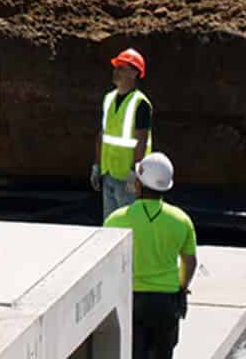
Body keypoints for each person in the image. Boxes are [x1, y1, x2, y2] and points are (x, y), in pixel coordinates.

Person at [105, 153, 197, 359]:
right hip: (166, 301)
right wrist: (181, 287)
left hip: (131, 299)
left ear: (138, 184)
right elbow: (189, 262)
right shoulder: (181, 220)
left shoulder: (116, 220)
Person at [91, 47, 153, 219]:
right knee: (110, 224)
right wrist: (97, 165)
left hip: (128, 178)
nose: (115, 71)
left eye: (121, 68)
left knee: (128, 225)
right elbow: (102, 134)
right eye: (115, 67)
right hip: (109, 172)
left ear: (134, 73)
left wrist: (135, 174)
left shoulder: (140, 103)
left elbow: (141, 140)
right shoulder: (109, 99)